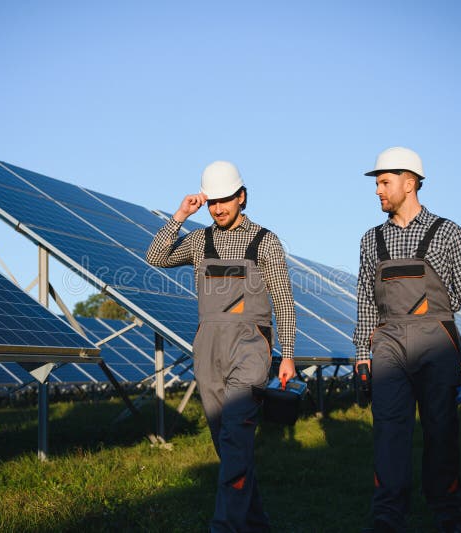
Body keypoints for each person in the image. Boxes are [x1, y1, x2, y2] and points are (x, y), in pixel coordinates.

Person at [353, 147, 461, 533]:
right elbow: (366, 300)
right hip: (388, 344)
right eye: (377, 184)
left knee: (441, 428)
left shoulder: (448, 232)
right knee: (388, 430)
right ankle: (388, 515)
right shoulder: (371, 240)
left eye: (384, 182)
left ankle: (447, 510)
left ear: (410, 181)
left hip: (437, 343)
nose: (377, 191)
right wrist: (361, 355)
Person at [146, 160, 296, 532]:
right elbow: (155, 258)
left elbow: (283, 300)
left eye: (225, 200)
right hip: (208, 349)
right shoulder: (199, 241)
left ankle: (224, 526)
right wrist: (180, 215)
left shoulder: (265, 241)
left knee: (235, 434)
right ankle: (257, 524)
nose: (218, 208)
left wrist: (288, 354)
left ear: (242, 197)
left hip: (250, 348)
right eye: (212, 201)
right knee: (229, 445)